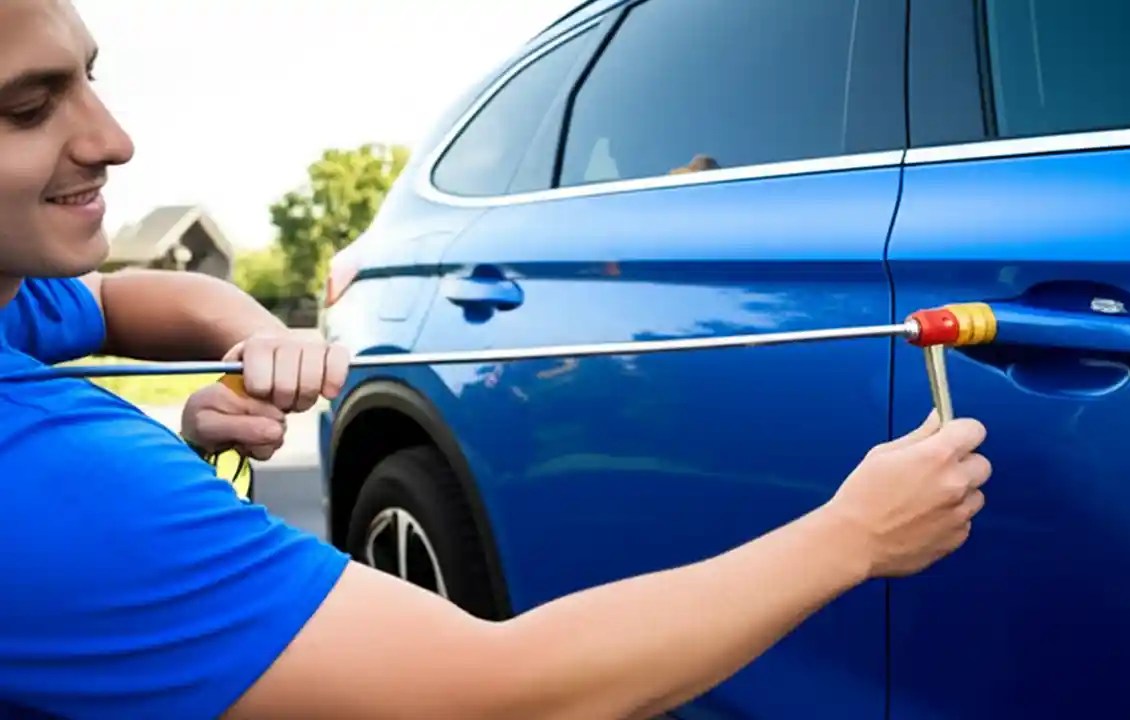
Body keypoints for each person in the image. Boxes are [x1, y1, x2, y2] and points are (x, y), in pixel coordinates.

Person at [0, 2, 993, 718]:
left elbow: (119, 299)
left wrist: (255, 336)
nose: (115, 138)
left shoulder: (18, 309)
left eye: (93, 76)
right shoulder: (51, 479)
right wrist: (853, 537)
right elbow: (506, 697)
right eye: (27, 108)